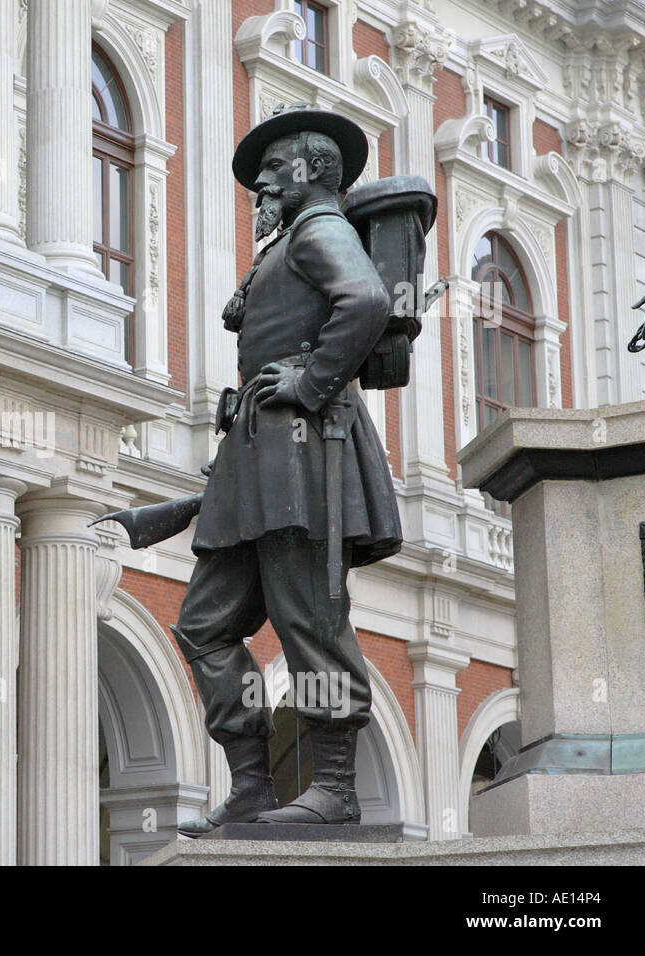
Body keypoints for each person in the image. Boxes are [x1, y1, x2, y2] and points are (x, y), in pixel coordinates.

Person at [174, 104, 401, 835]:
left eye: (275, 168)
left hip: (305, 454)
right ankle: (251, 783)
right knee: (204, 625)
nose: (262, 183)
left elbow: (365, 300)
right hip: (258, 453)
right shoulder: (285, 243)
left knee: (311, 621)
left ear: (316, 171)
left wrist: (308, 384)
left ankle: (335, 786)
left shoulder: (319, 228)